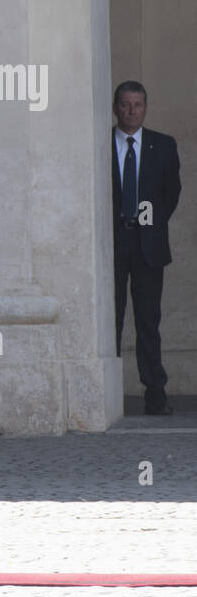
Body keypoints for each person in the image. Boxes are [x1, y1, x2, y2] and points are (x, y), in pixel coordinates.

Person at [111, 80, 181, 415]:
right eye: (125, 104)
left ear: (146, 107)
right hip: (111, 244)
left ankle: (155, 394)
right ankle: (105, 394)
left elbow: (170, 193)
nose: (131, 111)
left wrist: (146, 220)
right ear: (115, 107)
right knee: (110, 318)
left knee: (148, 322)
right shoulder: (101, 144)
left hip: (148, 245)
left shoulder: (163, 145)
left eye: (138, 104)